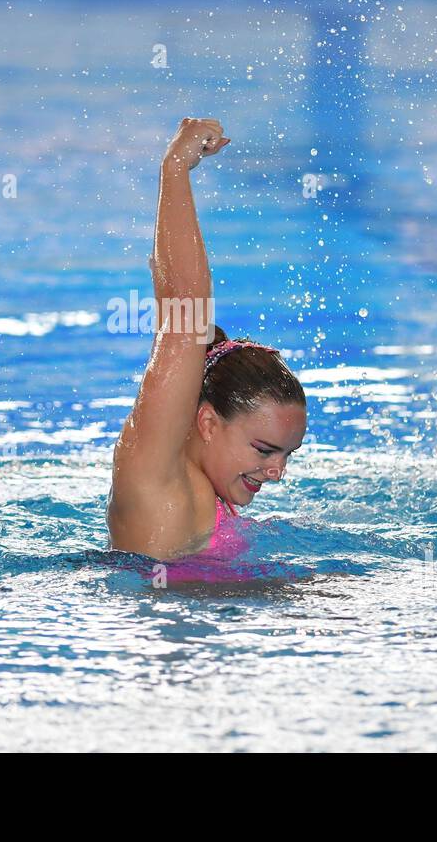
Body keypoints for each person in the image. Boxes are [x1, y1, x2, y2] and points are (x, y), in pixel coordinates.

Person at [107, 118, 307, 563]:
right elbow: (182, 318)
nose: (278, 473)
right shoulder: (157, 480)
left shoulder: (203, 489)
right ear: (208, 422)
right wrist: (175, 168)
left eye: (287, 454)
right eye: (265, 450)